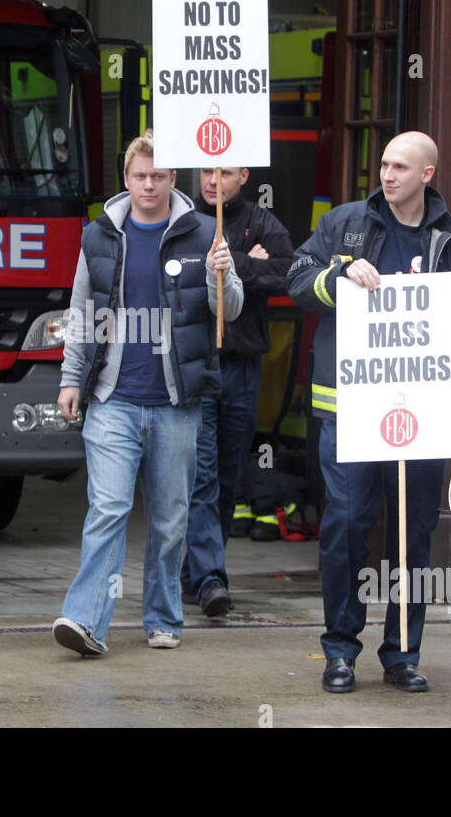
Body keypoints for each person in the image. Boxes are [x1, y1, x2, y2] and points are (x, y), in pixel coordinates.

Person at [288, 132, 451, 693]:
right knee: (347, 526)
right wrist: (338, 277)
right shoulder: (346, 224)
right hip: (349, 408)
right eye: (383, 164)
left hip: (419, 413)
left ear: (428, 174)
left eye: (401, 166)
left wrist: (446, 328)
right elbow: (297, 276)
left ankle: (402, 653)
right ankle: (340, 650)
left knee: (411, 535)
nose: (387, 174)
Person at [52, 130, 243, 655]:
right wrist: (71, 379)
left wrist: (221, 277)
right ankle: (85, 618)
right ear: (126, 179)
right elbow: (81, 314)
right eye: (140, 176)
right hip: (112, 399)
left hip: (178, 404)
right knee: (108, 510)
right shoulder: (99, 236)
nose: (149, 185)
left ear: (172, 179)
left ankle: (163, 615)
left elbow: (230, 311)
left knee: (168, 518)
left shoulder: (205, 232)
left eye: (159, 176)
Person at [182, 166, 293, 617]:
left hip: (243, 365)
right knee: (202, 474)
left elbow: (289, 274)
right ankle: (211, 577)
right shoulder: (184, 219)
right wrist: (252, 261)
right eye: (206, 171)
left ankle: (198, 572)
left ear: (244, 176)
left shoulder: (262, 221)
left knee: (228, 474)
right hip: (194, 363)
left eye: (224, 172)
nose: (212, 180)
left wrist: (236, 262)